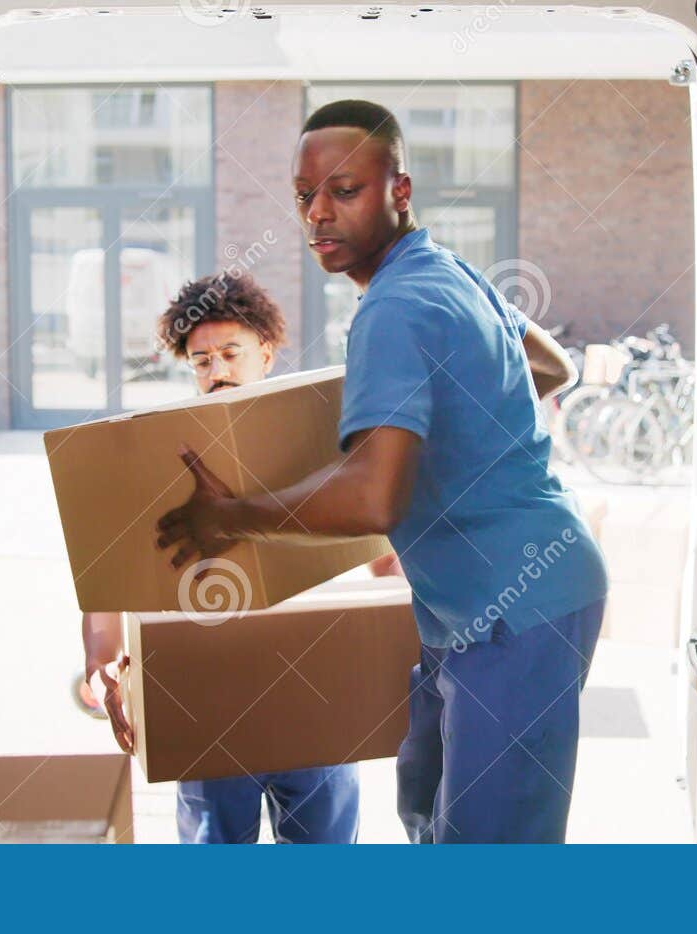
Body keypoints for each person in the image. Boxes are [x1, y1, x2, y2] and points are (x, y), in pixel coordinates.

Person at [156, 100, 609, 843]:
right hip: (464, 612)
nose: (318, 215)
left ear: (400, 190)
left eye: (345, 189)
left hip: (518, 609)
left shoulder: (394, 308)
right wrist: (446, 410)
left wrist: (231, 515)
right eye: (305, 197)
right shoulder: (446, 267)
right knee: (425, 810)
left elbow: (372, 498)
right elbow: (548, 366)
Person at [79, 271, 388, 844]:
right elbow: (112, 566)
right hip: (210, 693)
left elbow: (383, 556)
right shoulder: (158, 447)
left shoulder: (319, 432)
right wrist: (102, 660)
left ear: (266, 353)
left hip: (315, 692)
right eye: (201, 361)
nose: (215, 371)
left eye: (229, 353)